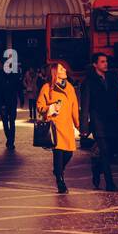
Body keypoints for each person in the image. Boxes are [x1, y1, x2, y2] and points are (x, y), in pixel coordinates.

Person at [37, 60, 80, 194]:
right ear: (55, 72)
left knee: (69, 153)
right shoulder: (47, 87)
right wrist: (50, 108)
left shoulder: (70, 87)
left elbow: (74, 108)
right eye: (61, 69)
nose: (65, 70)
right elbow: (39, 106)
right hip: (54, 126)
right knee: (59, 153)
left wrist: (78, 125)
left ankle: (58, 170)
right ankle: (60, 181)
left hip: (67, 125)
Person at [79, 52, 118, 190]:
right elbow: (85, 106)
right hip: (98, 122)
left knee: (111, 150)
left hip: (112, 120)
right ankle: (110, 183)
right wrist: (83, 128)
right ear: (95, 64)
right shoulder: (89, 82)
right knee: (105, 151)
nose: (106, 64)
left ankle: (96, 167)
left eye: (106, 61)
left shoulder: (111, 78)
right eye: (102, 62)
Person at [0, 60, 23, 148]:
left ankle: (11, 141)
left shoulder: (15, 76)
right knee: (5, 122)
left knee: (12, 122)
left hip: (12, 102)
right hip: (3, 103)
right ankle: (9, 138)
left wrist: (21, 100)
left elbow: (19, 88)